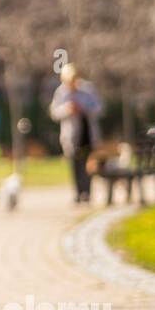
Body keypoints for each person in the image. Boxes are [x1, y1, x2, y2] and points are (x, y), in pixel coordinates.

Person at [49, 63, 103, 204]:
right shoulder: (61, 92)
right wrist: (68, 109)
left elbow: (99, 108)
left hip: (87, 133)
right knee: (74, 164)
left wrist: (84, 108)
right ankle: (78, 192)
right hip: (71, 134)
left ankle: (87, 191)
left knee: (87, 163)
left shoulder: (88, 89)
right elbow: (54, 112)